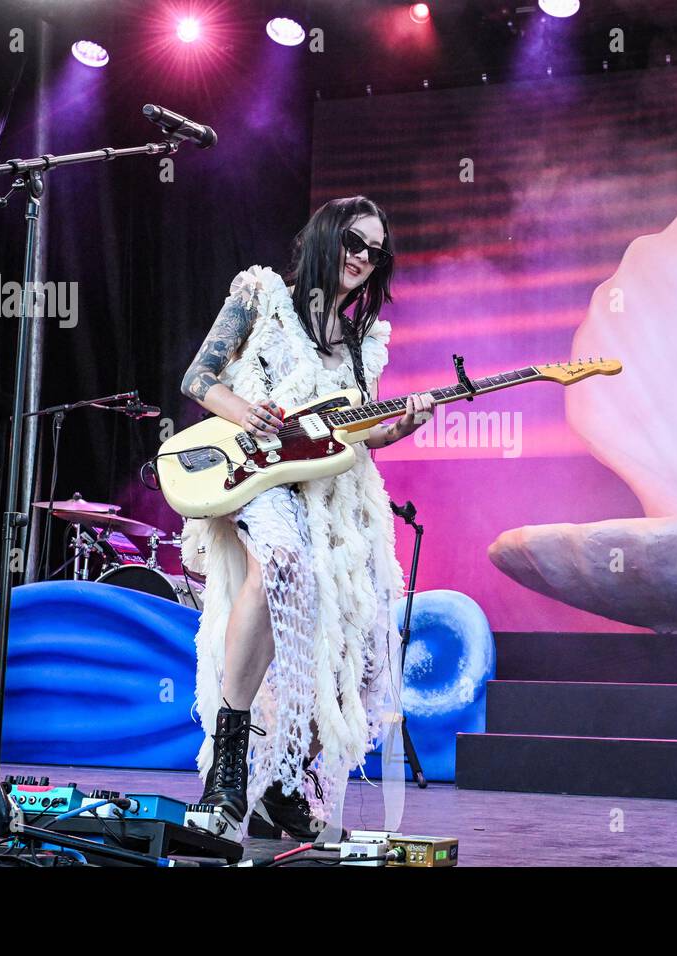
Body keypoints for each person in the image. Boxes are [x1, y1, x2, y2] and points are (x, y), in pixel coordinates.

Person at [179, 196, 433, 842]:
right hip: (257, 474)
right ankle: (229, 771)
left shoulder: (359, 346)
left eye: (375, 253)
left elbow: (355, 435)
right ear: (325, 236)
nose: (362, 260)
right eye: (354, 243)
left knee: (356, 636)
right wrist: (244, 412)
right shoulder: (261, 296)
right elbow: (198, 378)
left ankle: (289, 781)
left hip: (330, 492)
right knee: (283, 562)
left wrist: (398, 428)